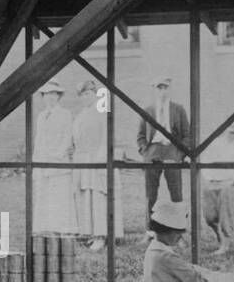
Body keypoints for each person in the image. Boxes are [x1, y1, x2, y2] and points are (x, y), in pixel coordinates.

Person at [71, 79, 124, 250]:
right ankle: (89, 232)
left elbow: (106, 139)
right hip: (83, 160)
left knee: (99, 197)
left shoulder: (102, 112)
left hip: (99, 160)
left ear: (94, 94)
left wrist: (101, 160)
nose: (85, 98)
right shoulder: (81, 115)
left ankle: (102, 235)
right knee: (86, 196)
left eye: (88, 94)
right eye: (82, 95)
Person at [136, 76, 190, 212]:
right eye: (159, 88)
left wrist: (181, 153)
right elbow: (141, 135)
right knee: (151, 194)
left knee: (176, 193)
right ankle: (150, 229)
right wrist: (145, 151)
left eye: (165, 88)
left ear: (170, 90)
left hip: (172, 151)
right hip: (153, 152)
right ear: (154, 90)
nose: (162, 91)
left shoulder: (178, 109)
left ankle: (178, 228)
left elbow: (187, 134)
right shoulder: (147, 110)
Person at [32, 79, 77, 235]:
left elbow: (67, 138)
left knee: (60, 196)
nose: (50, 97)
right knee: (43, 195)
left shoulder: (65, 114)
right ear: (43, 96)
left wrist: (56, 155)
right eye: (47, 94)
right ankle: (45, 228)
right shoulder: (41, 116)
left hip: (59, 161)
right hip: (42, 162)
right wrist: (37, 160)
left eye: (54, 94)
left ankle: (62, 229)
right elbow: (38, 140)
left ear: (58, 96)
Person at [201, 132, 234, 255]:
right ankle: (219, 236)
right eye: (231, 131)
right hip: (211, 183)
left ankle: (225, 244)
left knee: (225, 216)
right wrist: (207, 178)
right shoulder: (213, 144)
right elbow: (204, 161)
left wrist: (232, 181)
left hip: (226, 184)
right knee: (209, 217)